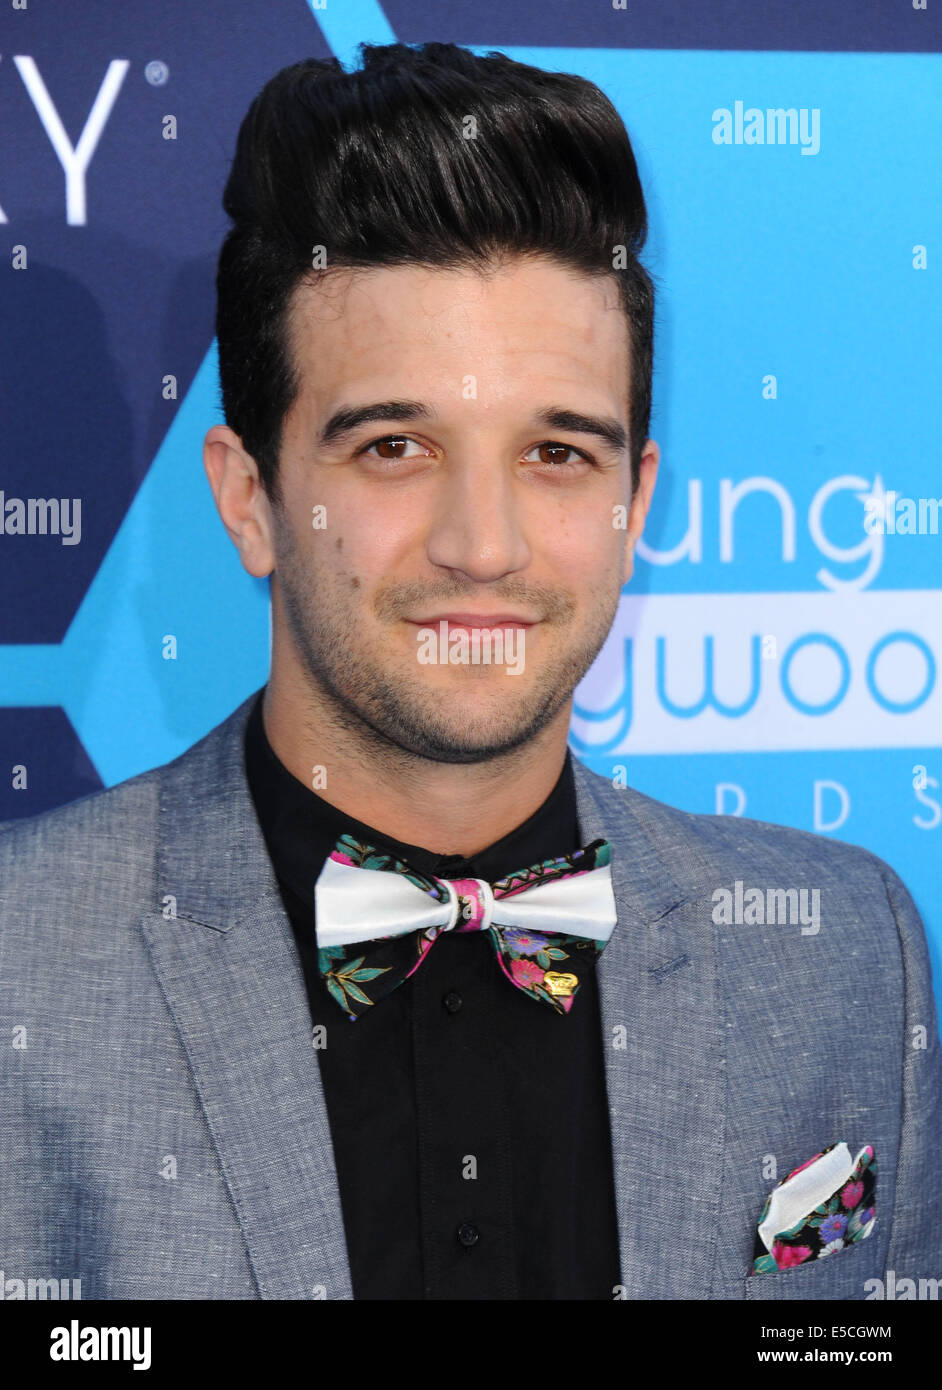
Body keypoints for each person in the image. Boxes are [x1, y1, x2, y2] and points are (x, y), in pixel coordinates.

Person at [1, 41, 939, 1301]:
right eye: (395, 446)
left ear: (634, 500)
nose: (482, 546)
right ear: (250, 499)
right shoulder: (27, 966)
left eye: (557, 452)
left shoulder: (843, 959)